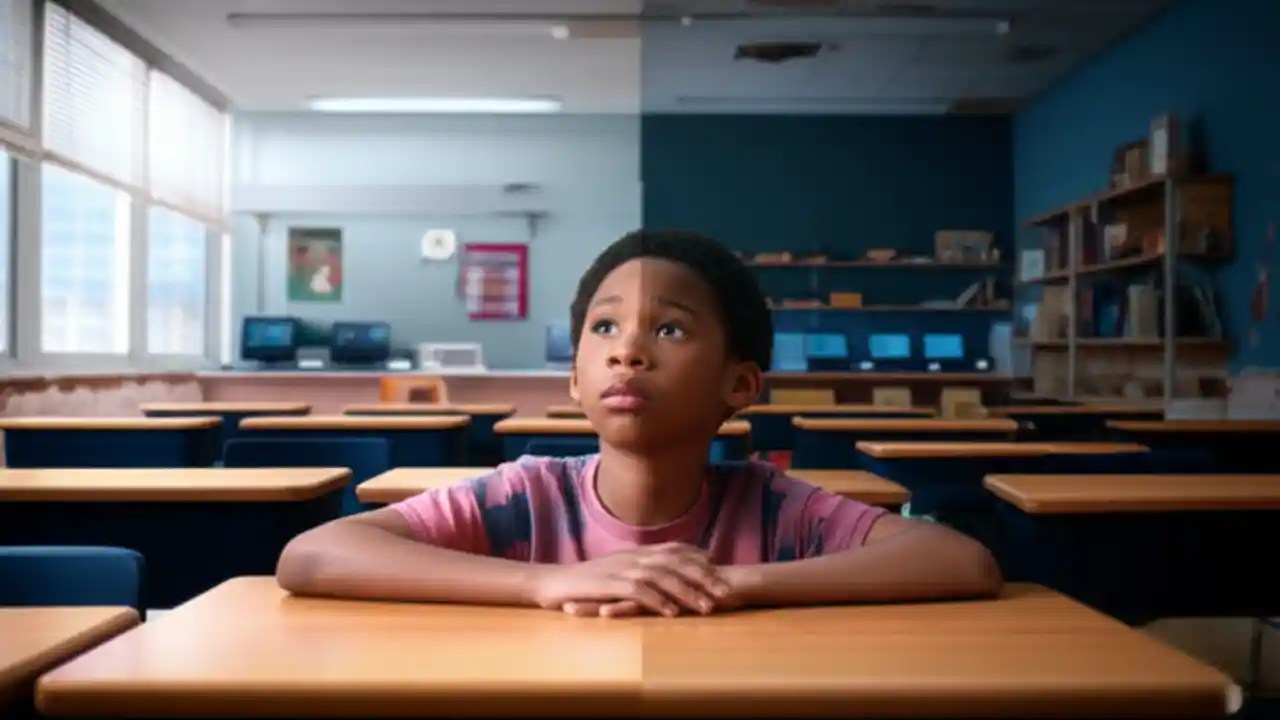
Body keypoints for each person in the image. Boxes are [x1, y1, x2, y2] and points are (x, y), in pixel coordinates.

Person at [276, 230, 1002, 617]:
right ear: (574, 379)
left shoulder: (776, 508)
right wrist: (543, 586)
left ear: (740, 383)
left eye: (673, 331)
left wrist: (737, 585)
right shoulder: (527, 497)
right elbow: (312, 556)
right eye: (604, 328)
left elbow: (961, 562)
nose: (626, 350)